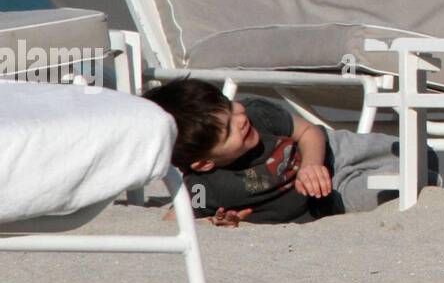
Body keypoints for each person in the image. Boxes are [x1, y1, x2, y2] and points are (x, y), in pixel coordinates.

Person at [146, 78, 421, 224]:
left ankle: (422, 162)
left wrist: (312, 164)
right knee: (386, 190)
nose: (240, 119)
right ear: (204, 163)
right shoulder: (205, 186)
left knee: (403, 150)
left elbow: (308, 131)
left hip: (328, 151)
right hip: (326, 199)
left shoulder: (257, 113)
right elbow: (174, 219)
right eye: (228, 130)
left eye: (230, 106)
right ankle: (427, 182)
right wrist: (219, 221)